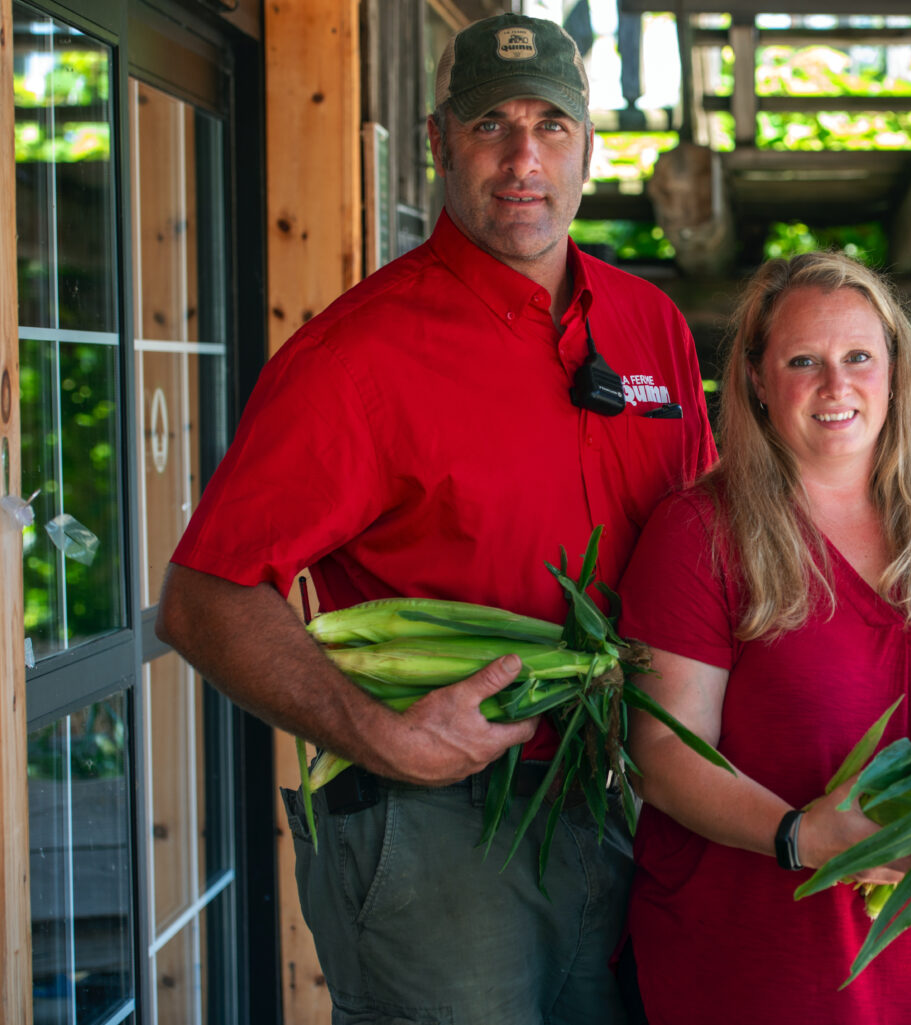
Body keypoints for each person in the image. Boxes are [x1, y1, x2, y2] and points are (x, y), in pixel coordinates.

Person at [154, 12, 714, 1024]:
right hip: (440, 821)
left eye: (550, 126)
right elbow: (204, 596)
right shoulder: (357, 357)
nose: (523, 159)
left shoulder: (651, 326)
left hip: (625, 797)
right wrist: (382, 736)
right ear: (438, 141)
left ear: (589, 144)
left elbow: (709, 555)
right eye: (491, 124)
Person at [615, 251, 911, 1025]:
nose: (836, 384)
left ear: (894, 371)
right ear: (757, 380)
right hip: (772, 983)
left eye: (859, 356)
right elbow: (663, 753)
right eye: (804, 361)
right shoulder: (700, 533)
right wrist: (799, 835)